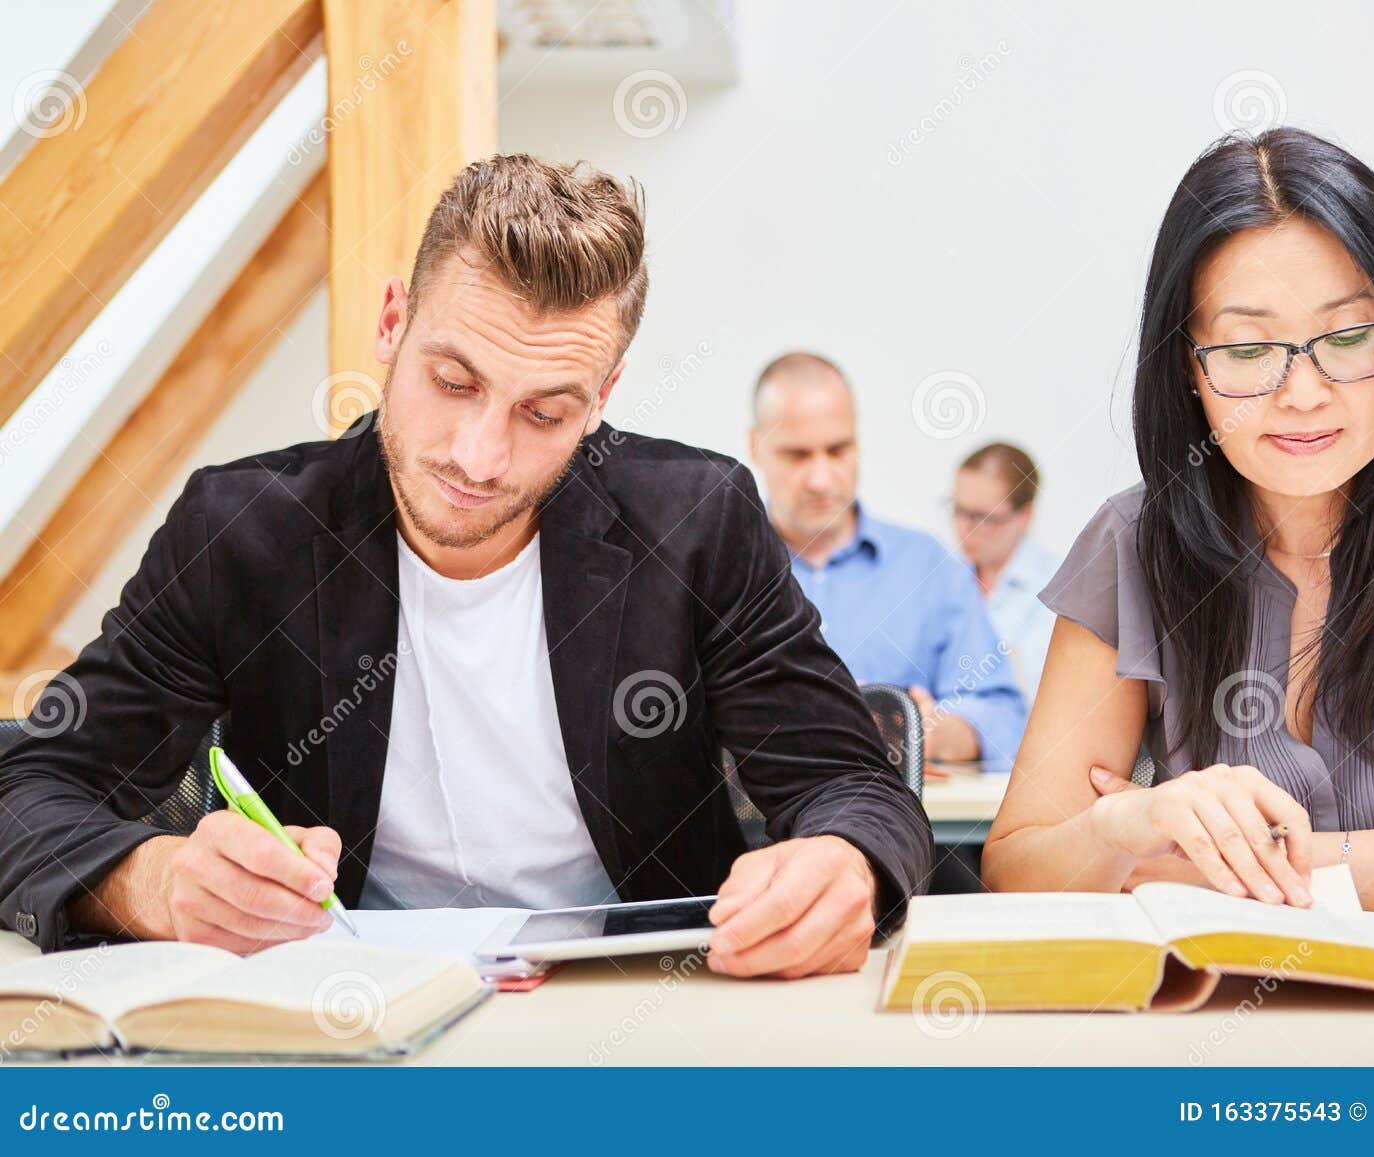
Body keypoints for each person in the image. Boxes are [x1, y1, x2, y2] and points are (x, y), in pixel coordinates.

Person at [0, 155, 933, 979]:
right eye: (454, 383)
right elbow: (26, 787)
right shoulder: (242, 532)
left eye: (545, 412)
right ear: (391, 325)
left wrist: (846, 862)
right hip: (339, 1011)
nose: (481, 458)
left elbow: (850, 781)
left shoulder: (699, 520)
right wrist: (144, 883)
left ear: (601, 398)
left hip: (644, 1005)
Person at [983, 127, 1374, 914]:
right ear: (1188, 365)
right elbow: (1018, 862)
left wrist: (1217, 867)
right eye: (1247, 350)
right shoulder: (1131, 544)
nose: (1302, 393)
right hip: (1225, 1023)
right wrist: (1122, 827)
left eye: (1346, 337)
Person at [747, 352, 1027, 765]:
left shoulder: (930, 567)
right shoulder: (717, 565)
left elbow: (1006, 718)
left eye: (838, 450)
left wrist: (920, 733)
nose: (821, 478)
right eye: (797, 455)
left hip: (903, 823)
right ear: (757, 447)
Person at [951, 442, 1058, 706]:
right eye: (959, 510)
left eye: (983, 518)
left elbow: (1037, 700)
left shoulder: (1059, 588)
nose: (965, 528)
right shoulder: (942, 577)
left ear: (1025, 516)